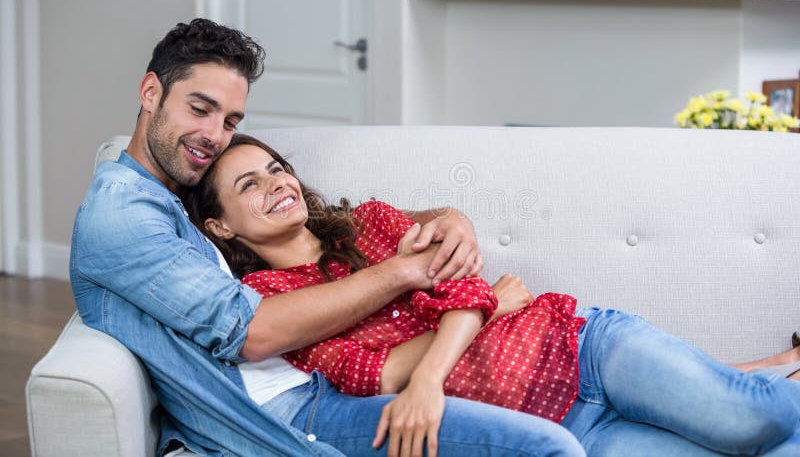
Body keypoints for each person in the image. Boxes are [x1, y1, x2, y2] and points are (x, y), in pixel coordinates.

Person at [70, 18, 586, 456]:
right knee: (550, 447)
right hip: (289, 412)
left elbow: (329, 221)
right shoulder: (123, 214)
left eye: (230, 120)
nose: (213, 135)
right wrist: (403, 270)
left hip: (321, 384)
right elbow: (251, 334)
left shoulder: (178, 184)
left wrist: (446, 215)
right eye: (199, 109)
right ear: (150, 92)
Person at [187, 132, 800, 457]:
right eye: (249, 184)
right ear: (220, 226)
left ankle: (777, 381)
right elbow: (370, 373)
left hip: (579, 348)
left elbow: (465, 288)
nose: (276, 184)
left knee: (760, 420)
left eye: (275, 168)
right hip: (562, 425)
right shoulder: (265, 299)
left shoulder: (369, 221)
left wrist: (429, 376)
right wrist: (482, 310)